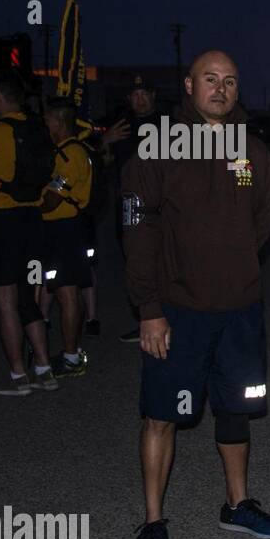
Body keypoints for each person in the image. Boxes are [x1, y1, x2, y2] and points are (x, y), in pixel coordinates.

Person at [122, 50, 270, 539]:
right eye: (210, 79)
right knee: (162, 415)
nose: (221, 88)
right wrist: (150, 308)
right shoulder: (157, 149)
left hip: (240, 311)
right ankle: (153, 521)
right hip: (176, 311)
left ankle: (237, 505)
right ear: (190, 86)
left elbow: (263, 222)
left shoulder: (254, 152)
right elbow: (136, 228)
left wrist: (232, 261)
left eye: (231, 81)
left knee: (236, 408)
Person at [0, 70, 56, 395]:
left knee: (4, 298)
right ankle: (44, 367)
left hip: (2, 220)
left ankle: (19, 376)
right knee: (28, 294)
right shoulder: (37, 127)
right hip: (33, 218)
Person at [100, 77, 162, 345]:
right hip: (128, 206)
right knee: (135, 264)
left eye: (144, 94)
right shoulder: (121, 125)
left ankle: (168, 317)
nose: (139, 99)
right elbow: (103, 164)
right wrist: (104, 141)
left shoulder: (170, 125)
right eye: (134, 94)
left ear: (153, 95)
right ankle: (144, 321)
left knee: (165, 262)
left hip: (161, 207)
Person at [39, 96, 95, 377]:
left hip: (65, 230)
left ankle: (72, 356)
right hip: (65, 230)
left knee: (66, 293)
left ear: (59, 121)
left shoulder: (70, 155)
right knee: (67, 291)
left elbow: (51, 200)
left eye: (48, 119)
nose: (45, 124)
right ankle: (71, 352)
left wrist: (32, 200)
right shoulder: (66, 150)